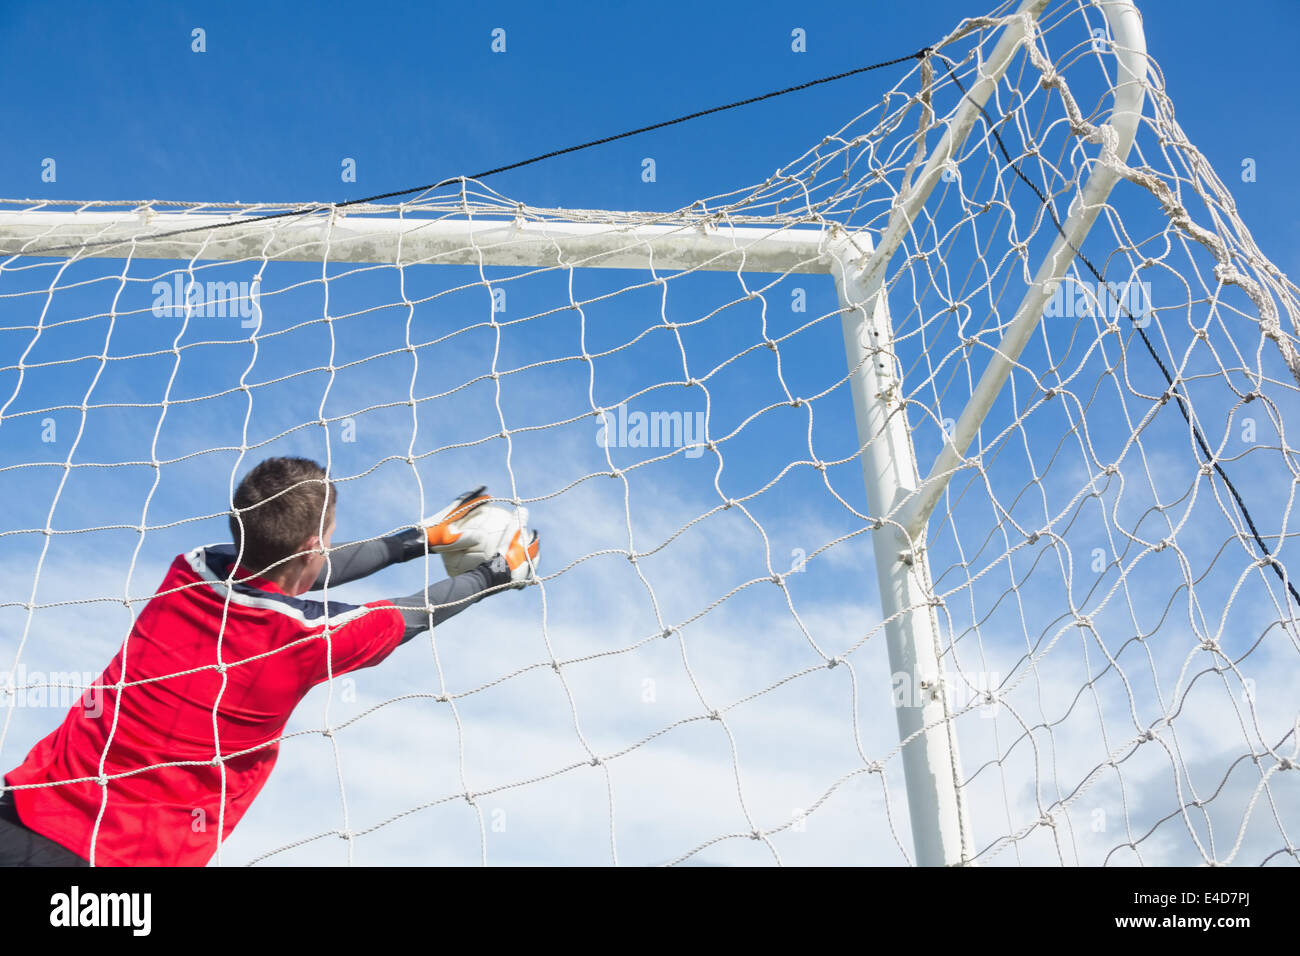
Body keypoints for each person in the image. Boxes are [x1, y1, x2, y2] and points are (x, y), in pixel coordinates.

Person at [0, 456, 538, 866]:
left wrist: (417, 540)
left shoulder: (190, 569)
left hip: (20, 810)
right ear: (311, 546)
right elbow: (411, 614)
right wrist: (494, 574)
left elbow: (293, 571)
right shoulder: (304, 640)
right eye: (325, 543)